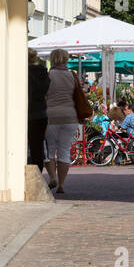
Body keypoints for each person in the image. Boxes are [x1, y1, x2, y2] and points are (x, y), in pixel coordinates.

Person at [44, 48, 84, 195]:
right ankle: (61, 184)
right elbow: (78, 95)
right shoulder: (72, 75)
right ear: (66, 59)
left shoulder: (48, 75)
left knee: (50, 150)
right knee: (64, 151)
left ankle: (52, 177)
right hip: (70, 116)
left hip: (51, 116)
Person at [27, 49, 50, 172]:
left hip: (28, 112)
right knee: (38, 146)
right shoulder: (43, 72)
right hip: (41, 112)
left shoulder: (25, 72)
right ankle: (38, 173)